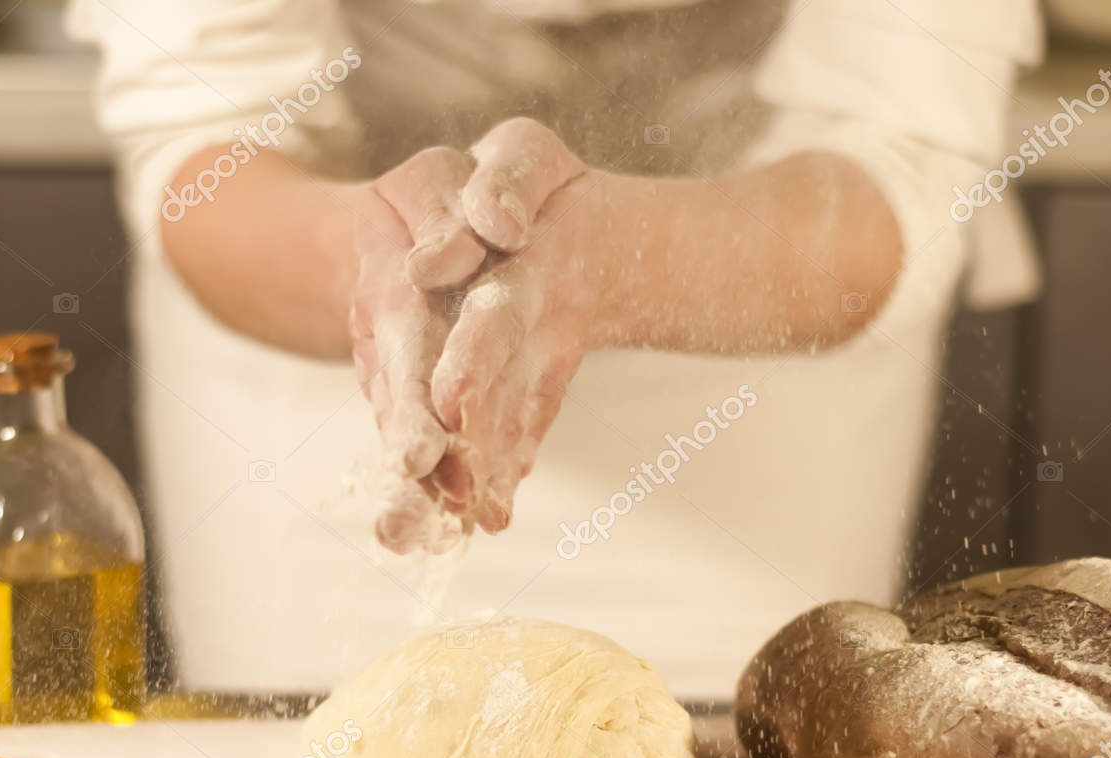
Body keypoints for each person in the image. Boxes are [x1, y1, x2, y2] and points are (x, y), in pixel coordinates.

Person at [66, 0, 1041, 699]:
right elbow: (207, 136)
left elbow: (896, 152)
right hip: (323, 339)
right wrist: (381, 271)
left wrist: (614, 262)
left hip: (759, 334)